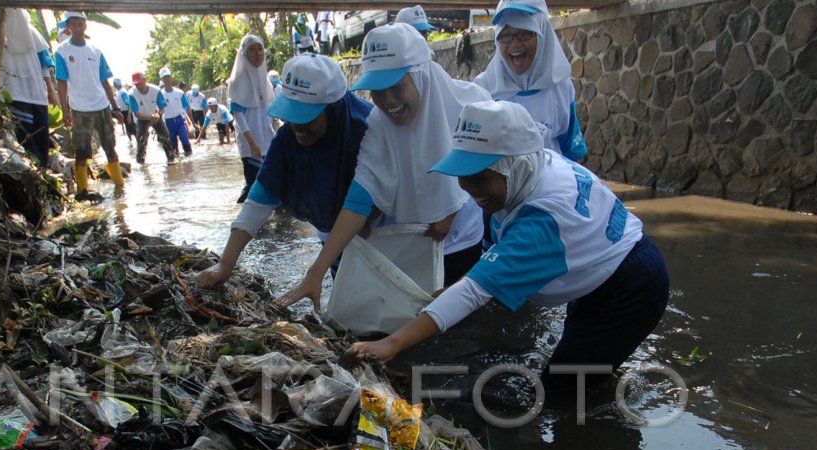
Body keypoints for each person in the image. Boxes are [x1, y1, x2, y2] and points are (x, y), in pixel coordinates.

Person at [347, 101, 669, 401]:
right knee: (582, 362)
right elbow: (483, 272)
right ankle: (604, 376)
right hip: (603, 264)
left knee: (558, 392)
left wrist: (392, 343)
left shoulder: (542, 221)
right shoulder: (533, 166)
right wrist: (449, 296)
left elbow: (475, 292)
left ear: (513, 165)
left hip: (629, 288)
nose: (471, 190)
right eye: (463, 176)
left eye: (481, 178)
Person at [275, 23, 490, 311]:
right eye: (377, 90)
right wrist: (317, 271)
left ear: (420, 75)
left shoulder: (473, 106)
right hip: (414, 243)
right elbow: (360, 197)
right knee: (415, 317)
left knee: (459, 322)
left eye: (396, 86)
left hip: (460, 238)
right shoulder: (379, 124)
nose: (388, 101)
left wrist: (453, 210)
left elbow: (493, 173)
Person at [198, 54, 373, 289]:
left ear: (332, 108)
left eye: (306, 118)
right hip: (330, 231)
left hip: (378, 233)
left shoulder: (367, 128)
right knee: (347, 292)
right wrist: (225, 264)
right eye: (291, 117)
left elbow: (371, 197)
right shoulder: (288, 138)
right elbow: (259, 200)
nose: (297, 127)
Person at [474, 0, 586, 161]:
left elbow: (572, 150)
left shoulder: (561, 86)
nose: (515, 43)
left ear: (543, 34)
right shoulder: (483, 90)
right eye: (505, 35)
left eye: (525, 32)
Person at [54, 11, 125, 198]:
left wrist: (115, 108)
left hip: (101, 105)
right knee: (81, 151)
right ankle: (82, 191)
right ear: (68, 27)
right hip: (79, 108)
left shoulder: (96, 51)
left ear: (85, 25)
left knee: (110, 147)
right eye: (73, 24)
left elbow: (105, 82)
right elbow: (61, 83)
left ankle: (120, 188)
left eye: (80, 24)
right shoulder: (62, 52)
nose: (77, 28)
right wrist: (65, 109)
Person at [0, 9, 58, 167]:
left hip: (36, 93)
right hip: (14, 94)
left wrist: (51, 92)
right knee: (25, 139)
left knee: (39, 137)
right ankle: (34, 170)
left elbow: (45, 66)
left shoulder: (34, 34)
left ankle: (41, 170)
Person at [227, 35, 276, 203]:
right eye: (253, 50)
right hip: (250, 141)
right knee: (253, 182)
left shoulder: (264, 79)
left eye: (260, 49)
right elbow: (238, 115)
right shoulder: (238, 80)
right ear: (244, 54)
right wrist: (252, 142)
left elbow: (269, 110)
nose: (258, 53)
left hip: (265, 136)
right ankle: (243, 218)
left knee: (269, 180)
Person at [127, 71, 178, 165]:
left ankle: (171, 159)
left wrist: (158, 115)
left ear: (145, 80)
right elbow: (136, 114)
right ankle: (141, 164)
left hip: (156, 116)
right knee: (141, 141)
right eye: (136, 84)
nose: (139, 86)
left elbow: (162, 108)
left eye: (140, 83)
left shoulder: (156, 90)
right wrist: (150, 118)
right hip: (142, 118)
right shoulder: (131, 94)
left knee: (165, 138)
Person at [159, 67, 193, 157]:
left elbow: (187, 108)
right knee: (173, 145)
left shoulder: (179, 93)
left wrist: (191, 123)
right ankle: (176, 164)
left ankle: (189, 163)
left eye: (168, 77)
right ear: (161, 79)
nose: (167, 79)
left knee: (185, 140)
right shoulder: (160, 94)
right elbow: (159, 110)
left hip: (179, 120)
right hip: (168, 122)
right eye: (164, 77)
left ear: (171, 77)